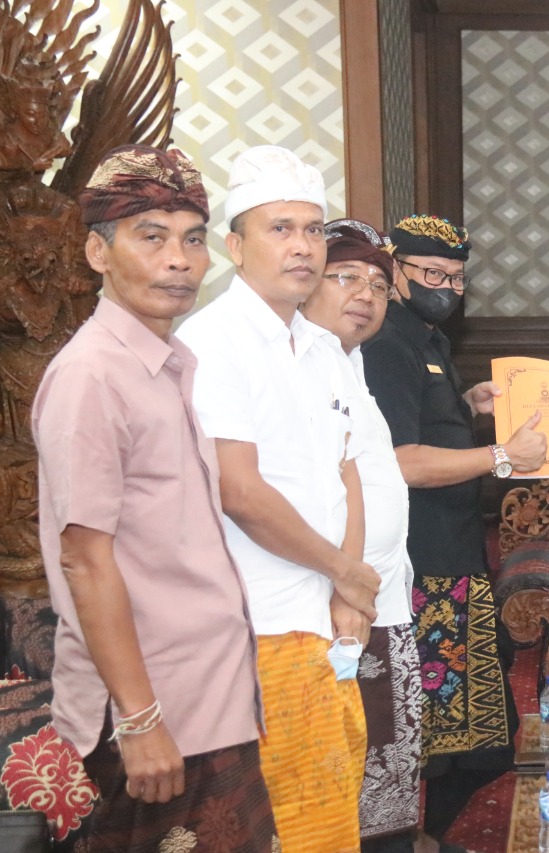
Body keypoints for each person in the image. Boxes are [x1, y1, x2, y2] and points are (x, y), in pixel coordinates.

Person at [33, 145, 277, 849]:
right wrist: (139, 721)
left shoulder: (168, 363)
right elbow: (85, 561)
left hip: (209, 698)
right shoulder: (91, 376)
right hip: (154, 716)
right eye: (151, 237)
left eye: (192, 240)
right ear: (97, 253)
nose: (179, 261)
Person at [177, 145, 380, 851]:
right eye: (281, 229)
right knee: (281, 824)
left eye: (313, 229)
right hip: (257, 622)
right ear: (235, 246)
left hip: (328, 619)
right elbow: (239, 490)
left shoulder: (323, 348)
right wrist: (345, 571)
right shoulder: (212, 342)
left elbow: (346, 472)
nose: (302, 246)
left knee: (332, 809)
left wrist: (349, 593)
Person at [360, 214, 542, 849]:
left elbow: (421, 424)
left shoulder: (429, 339)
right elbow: (401, 461)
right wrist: (500, 456)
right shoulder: (386, 343)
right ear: (397, 271)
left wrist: (465, 408)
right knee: (445, 741)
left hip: (455, 560)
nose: (446, 288)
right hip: (421, 571)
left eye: (457, 278)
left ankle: (421, 836)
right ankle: (413, 838)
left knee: (473, 738)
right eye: (432, 274)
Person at [300, 219, 423, 853]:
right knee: (343, 785)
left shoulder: (349, 365)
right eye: (345, 277)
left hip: (376, 597)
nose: (365, 295)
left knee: (387, 773)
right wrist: (342, 584)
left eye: (378, 284)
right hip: (334, 605)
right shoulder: (297, 366)